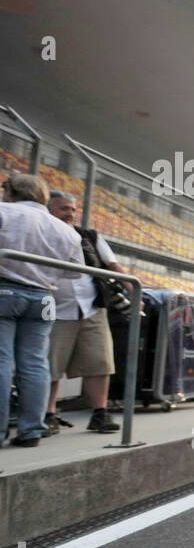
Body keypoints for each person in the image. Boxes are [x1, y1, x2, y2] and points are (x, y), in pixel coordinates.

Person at [0, 175, 84, 447]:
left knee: (2, 361)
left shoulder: (4, 211)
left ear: (11, 191)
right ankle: (32, 430)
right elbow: (74, 273)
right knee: (35, 363)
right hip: (43, 296)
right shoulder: (65, 230)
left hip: (5, 289)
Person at [44, 191, 124, 435]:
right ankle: (48, 415)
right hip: (55, 310)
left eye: (72, 209)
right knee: (50, 365)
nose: (70, 214)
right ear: (48, 210)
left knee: (100, 362)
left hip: (91, 307)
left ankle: (100, 414)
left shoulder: (88, 236)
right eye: (63, 209)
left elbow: (112, 264)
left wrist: (133, 289)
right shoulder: (43, 233)